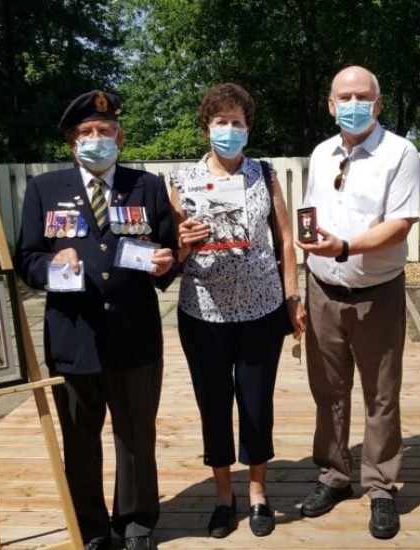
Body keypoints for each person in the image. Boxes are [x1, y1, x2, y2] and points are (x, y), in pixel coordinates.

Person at [14, 90, 177, 550]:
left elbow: (169, 251)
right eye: (86, 133)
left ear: (119, 136)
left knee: (136, 435)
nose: (96, 139)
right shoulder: (45, 189)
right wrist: (50, 266)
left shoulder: (146, 185)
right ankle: (91, 527)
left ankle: (137, 523)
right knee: (81, 440)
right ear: (72, 142)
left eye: (104, 131)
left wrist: (168, 263)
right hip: (75, 334)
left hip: (134, 333)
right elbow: (26, 258)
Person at [170, 83, 305, 539]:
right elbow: (173, 253)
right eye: (220, 122)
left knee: (255, 401)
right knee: (213, 404)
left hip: (261, 310)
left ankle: (258, 492)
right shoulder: (181, 181)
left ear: (249, 128)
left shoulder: (263, 174)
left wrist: (292, 296)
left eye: (238, 123)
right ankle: (223, 495)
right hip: (203, 312)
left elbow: (285, 239)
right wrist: (183, 244)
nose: (229, 130)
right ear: (206, 126)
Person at [296, 66, 420, 540]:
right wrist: (308, 266)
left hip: (377, 293)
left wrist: (344, 247)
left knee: (381, 394)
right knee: (328, 391)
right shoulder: (321, 152)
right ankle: (333, 475)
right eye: (344, 96)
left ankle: (381, 486)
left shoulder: (400, 153)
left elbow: (401, 223)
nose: (353, 103)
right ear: (330, 105)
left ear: (378, 102)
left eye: (362, 95)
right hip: (323, 289)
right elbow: (311, 212)